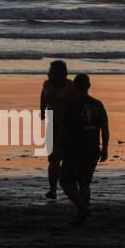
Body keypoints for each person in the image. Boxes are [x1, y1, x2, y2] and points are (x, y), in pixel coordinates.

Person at [59, 74, 109, 225]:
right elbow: (105, 128)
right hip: (93, 148)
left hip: (75, 148)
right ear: (89, 86)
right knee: (84, 182)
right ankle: (82, 212)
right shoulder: (97, 104)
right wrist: (105, 147)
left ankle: (82, 208)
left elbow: (64, 130)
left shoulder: (71, 105)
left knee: (65, 180)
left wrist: (58, 148)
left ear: (74, 86)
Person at [39, 60, 72, 199]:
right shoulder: (46, 84)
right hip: (52, 125)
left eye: (52, 72)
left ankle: (70, 187)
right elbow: (42, 96)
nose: (48, 74)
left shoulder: (71, 87)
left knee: (68, 158)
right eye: (49, 71)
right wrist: (42, 110)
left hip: (68, 127)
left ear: (62, 74)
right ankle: (53, 190)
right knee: (53, 159)